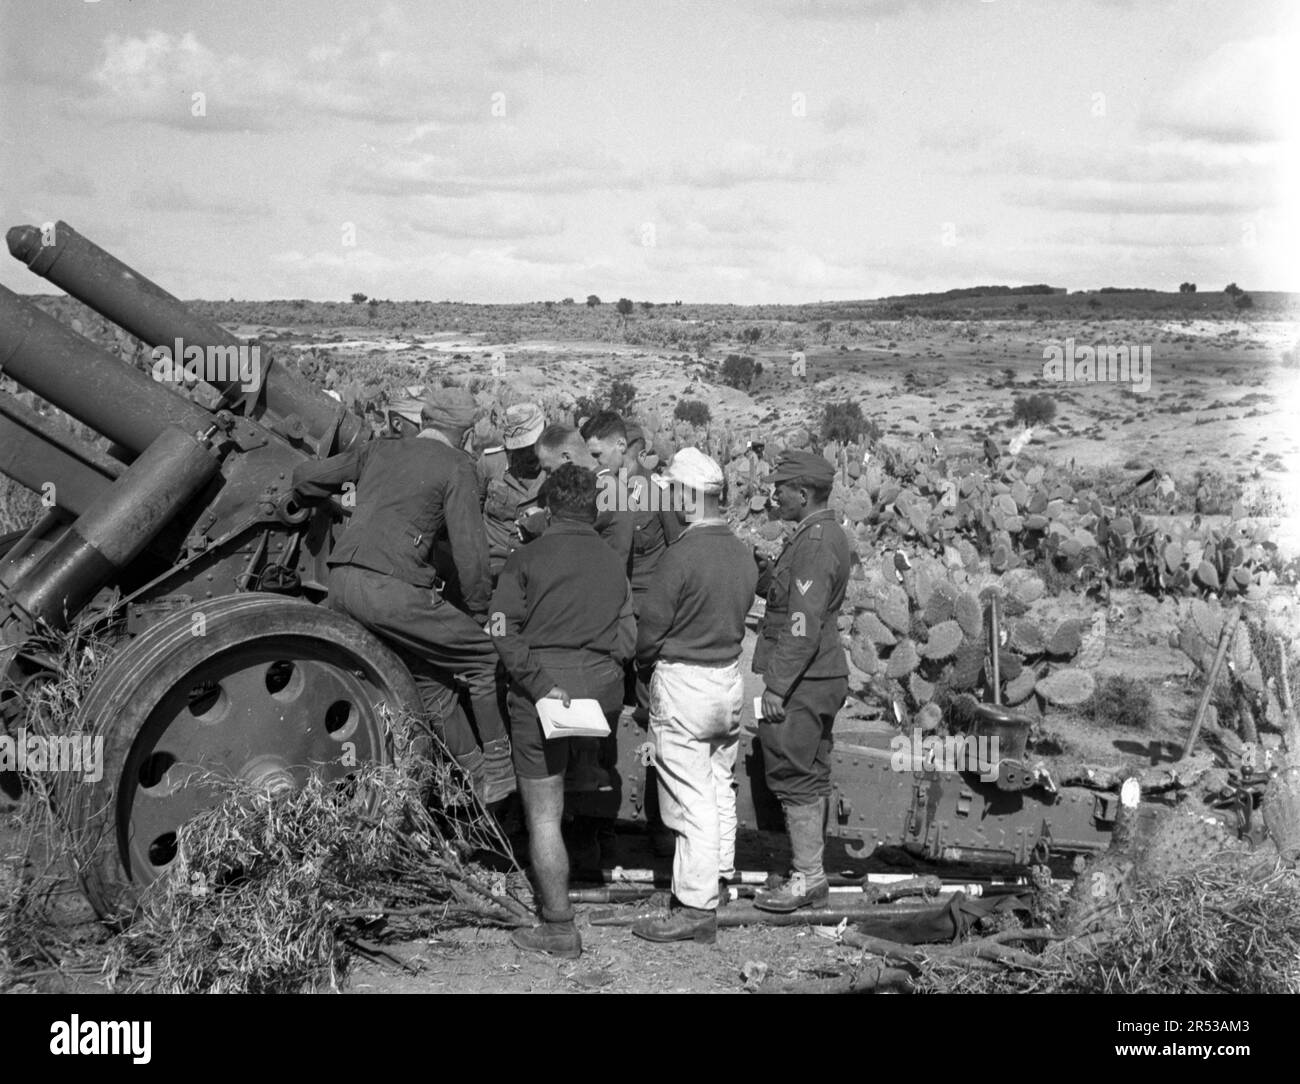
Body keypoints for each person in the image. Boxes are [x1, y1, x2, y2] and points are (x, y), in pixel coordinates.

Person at [289, 386, 516, 804]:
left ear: (424, 421)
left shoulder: (379, 450)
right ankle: (499, 769)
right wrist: (480, 610)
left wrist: (333, 504)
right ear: (465, 434)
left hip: (341, 582)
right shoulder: (458, 466)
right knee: (483, 658)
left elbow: (304, 477)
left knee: (430, 679)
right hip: (392, 589)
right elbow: (471, 554)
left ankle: (472, 778)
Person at [488, 463, 636, 959]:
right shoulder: (613, 561)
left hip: (543, 694)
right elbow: (627, 637)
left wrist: (542, 684)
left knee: (544, 817)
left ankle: (558, 927)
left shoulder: (527, 557)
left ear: (548, 508)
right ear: (593, 508)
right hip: (601, 692)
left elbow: (502, 630)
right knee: (590, 773)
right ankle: (592, 855)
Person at [630, 449, 757, 944]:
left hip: (684, 682)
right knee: (719, 782)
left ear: (688, 495)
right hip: (728, 677)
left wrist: (645, 668)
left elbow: (651, 631)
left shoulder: (680, 554)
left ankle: (695, 907)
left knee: (689, 800)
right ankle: (720, 879)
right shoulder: (742, 553)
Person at [751, 449, 850, 912]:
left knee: (794, 776)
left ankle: (808, 877)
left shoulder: (813, 543)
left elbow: (801, 624)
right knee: (813, 774)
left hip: (805, 679)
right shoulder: (819, 534)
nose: (775, 493)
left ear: (804, 493)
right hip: (821, 673)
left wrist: (776, 686)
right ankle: (809, 871)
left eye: (782, 487)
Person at [476, 402, 548, 582]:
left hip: (536, 566)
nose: (529, 454)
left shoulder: (558, 469)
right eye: (521, 449)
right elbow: (473, 510)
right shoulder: (490, 462)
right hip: (492, 563)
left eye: (533, 446)